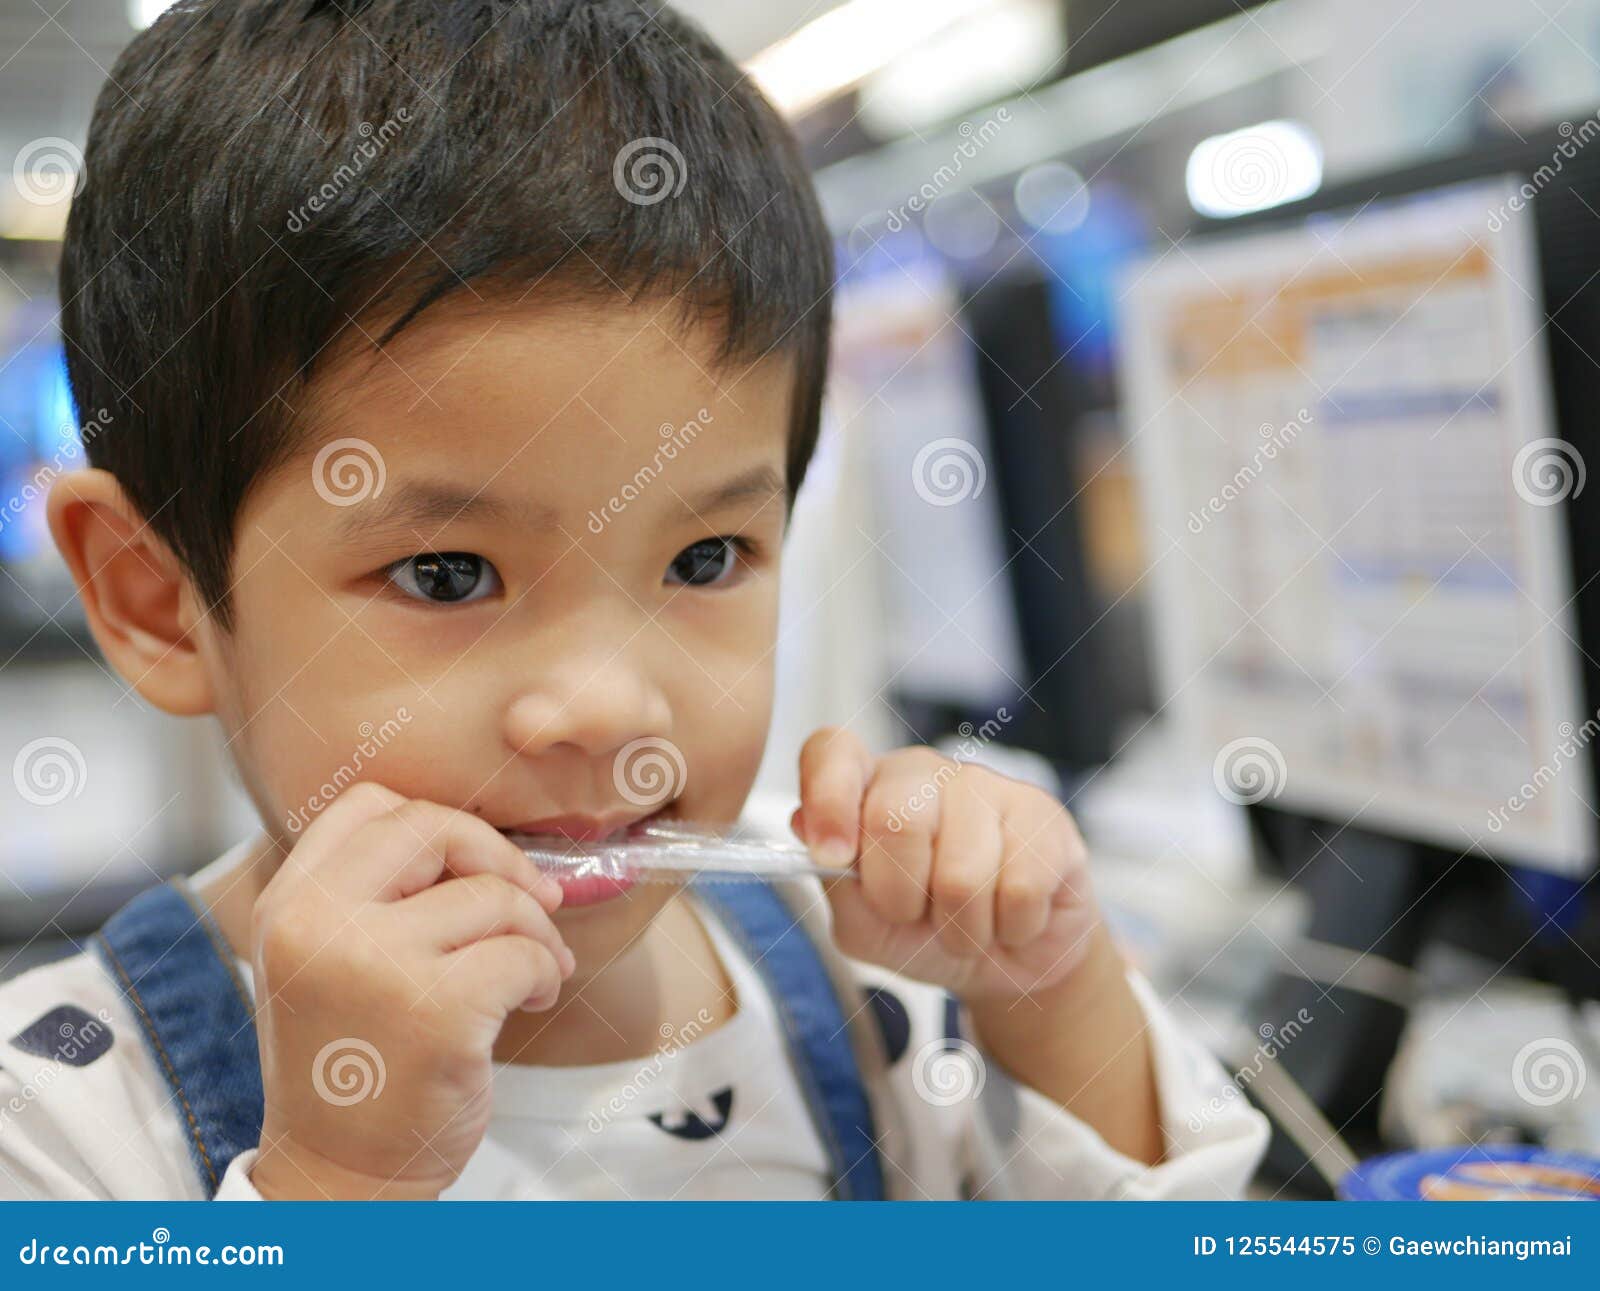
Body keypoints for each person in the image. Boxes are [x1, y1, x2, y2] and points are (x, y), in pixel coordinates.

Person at [0, 0, 1266, 1200]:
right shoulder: (60, 1112)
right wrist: (341, 1190)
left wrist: (1050, 996)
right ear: (157, 599)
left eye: (706, 558)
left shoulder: (885, 989)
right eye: (448, 575)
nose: (608, 708)